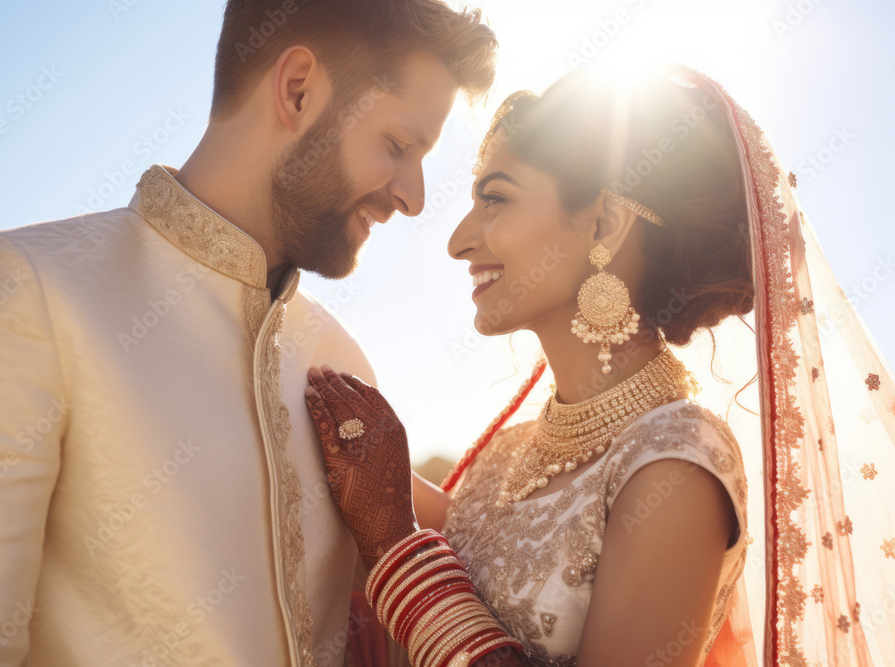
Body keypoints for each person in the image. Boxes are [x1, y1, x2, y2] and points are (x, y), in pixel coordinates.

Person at [0, 1, 497, 665]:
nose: (413, 196)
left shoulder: (340, 361)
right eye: (398, 146)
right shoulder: (22, 288)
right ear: (297, 89)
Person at [305, 64, 895, 666]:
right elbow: (373, 511)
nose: (457, 240)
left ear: (607, 225)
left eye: (495, 199)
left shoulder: (676, 462)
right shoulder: (507, 455)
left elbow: (397, 540)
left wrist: (394, 546)